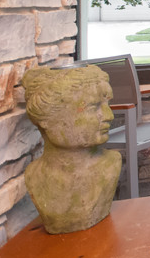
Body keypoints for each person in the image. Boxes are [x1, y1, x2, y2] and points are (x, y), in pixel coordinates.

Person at [22, 65, 122, 234]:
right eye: (93, 107)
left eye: (107, 104)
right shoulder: (34, 176)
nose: (109, 115)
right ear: (46, 118)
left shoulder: (111, 165)